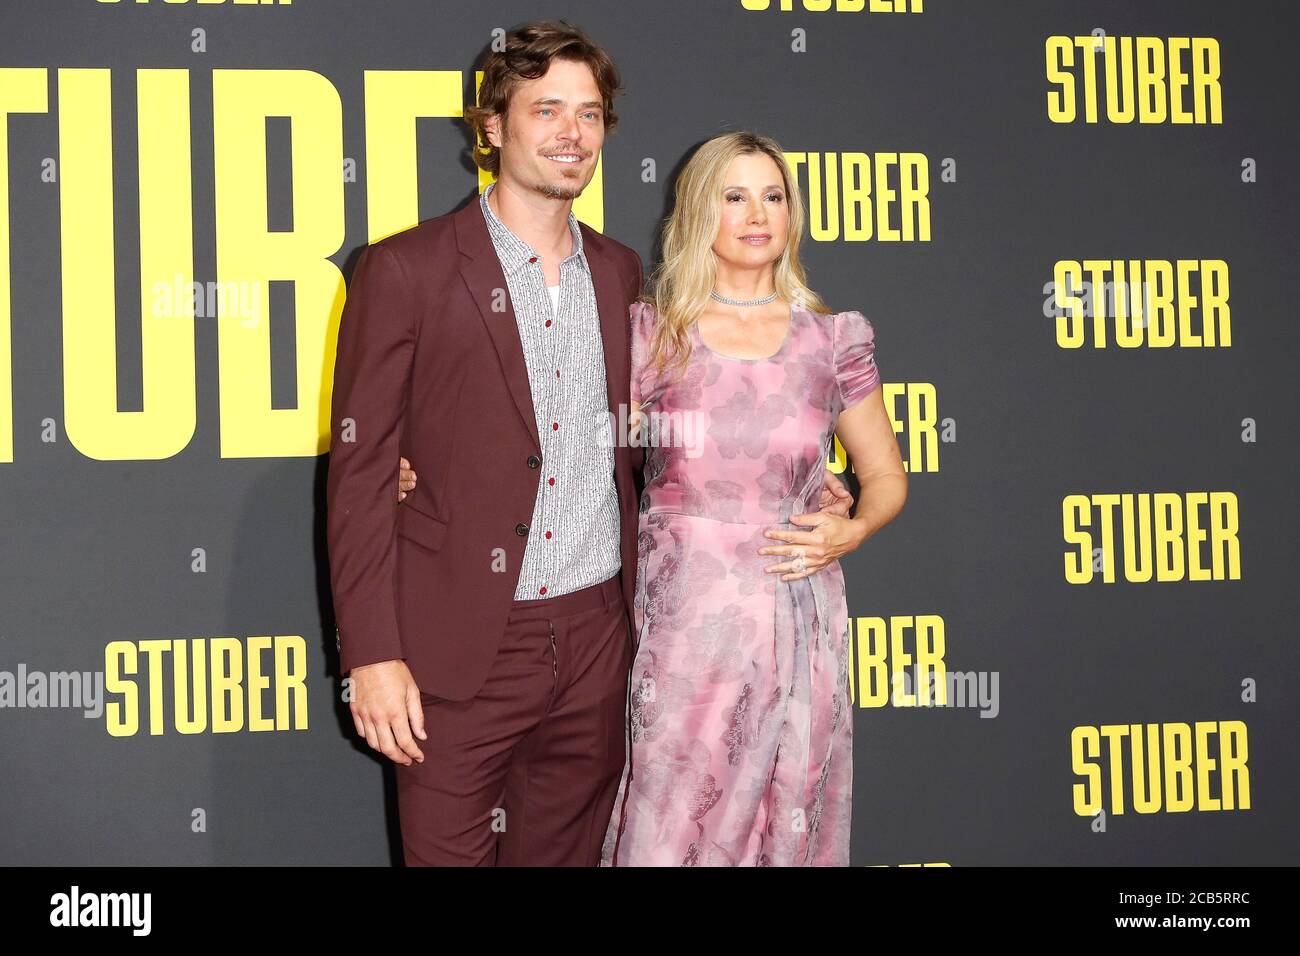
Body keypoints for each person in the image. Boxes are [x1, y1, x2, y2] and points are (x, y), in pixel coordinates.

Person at [327, 21, 645, 866]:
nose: (572, 132)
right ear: (493, 127)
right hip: (457, 646)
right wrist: (372, 655)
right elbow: (359, 477)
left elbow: (659, 442)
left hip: (596, 638)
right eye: (546, 110)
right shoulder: (405, 270)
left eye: (589, 113)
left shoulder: (622, 275)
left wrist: (797, 484)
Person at [599, 131, 908, 865]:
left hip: (795, 611)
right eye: (734, 196)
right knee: (668, 822)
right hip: (683, 628)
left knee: (784, 816)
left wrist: (853, 528)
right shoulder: (650, 335)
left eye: (773, 196)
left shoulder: (831, 341)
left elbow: (887, 477)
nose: (756, 213)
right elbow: (574, 452)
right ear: (700, 211)